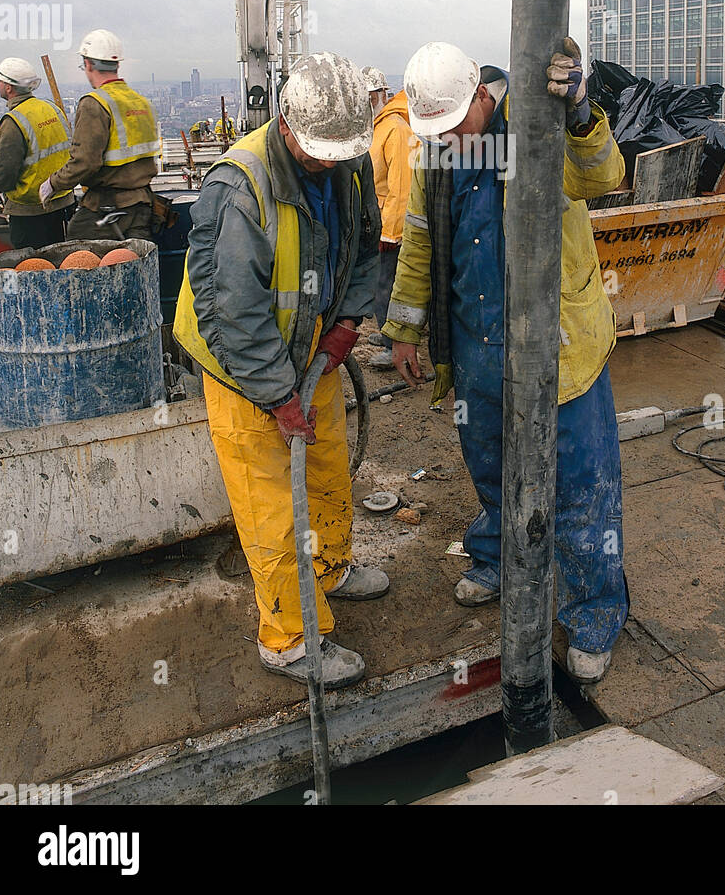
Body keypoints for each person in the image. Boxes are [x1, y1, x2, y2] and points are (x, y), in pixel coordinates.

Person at [383, 38, 629, 684]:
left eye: (457, 126)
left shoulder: (533, 119)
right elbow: (417, 241)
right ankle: (499, 560)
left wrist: (578, 113)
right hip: (476, 343)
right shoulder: (433, 154)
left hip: (559, 343)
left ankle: (594, 613)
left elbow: (602, 175)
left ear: (481, 97)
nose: (451, 141)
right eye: (436, 132)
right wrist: (403, 330)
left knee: (582, 484)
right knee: (490, 465)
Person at [174, 52, 386, 690]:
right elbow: (233, 312)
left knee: (324, 464)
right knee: (272, 503)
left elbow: (364, 242)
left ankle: (330, 570)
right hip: (245, 369)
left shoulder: (348, 162)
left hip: (311, 347)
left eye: (337, 152)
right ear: (288, 123)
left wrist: (349, 320)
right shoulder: (239, 188)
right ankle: (291, 638)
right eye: (317, 151)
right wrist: (276, 395)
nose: (327, 162)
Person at [40, 30, 162, 241]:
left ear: (88, 64)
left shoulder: (95, 103)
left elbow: (85, 162)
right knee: (138, 266)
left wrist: (53, 184)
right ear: (117, 64)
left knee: (78, 259)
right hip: (142, 205)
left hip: (107, 207)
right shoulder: (142, 102)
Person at [363, 66, 419, 370]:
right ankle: (386, 332)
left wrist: (390, 233)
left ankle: (392, 344)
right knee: (378, 285)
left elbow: (403, 185)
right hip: (377, 223)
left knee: (388, 287)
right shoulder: (378, 126)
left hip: (390, 228)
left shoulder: (395, 129)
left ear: (375, 96)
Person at [0, 57, 73, 250]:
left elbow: (4, 175)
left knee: (33, 264)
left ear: (9, 87)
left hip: (30, 210)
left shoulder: (13, 122)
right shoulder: (51, 108)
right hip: (61, 201)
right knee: (57, 258)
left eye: (0, 81)